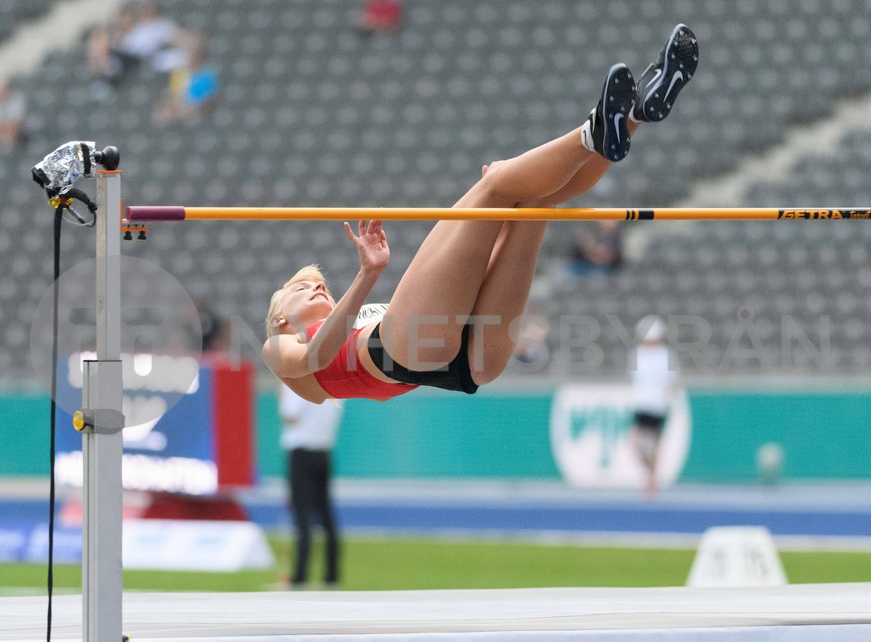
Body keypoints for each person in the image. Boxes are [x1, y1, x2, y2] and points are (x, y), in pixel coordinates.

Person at [264, 24, 698, 404]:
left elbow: (464, 296)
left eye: (317, 283)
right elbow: (316, 356)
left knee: (532, 204)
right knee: (495, 185)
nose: (318, 286)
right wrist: (368, 274)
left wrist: (502, 216)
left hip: (464, 358)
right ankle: (592, 131)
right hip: (433, 358)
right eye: (304, 287)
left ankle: (638, 112)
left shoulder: (359, 316)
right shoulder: (279, 345)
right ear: (280, 314)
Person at [278, 382, 343, 589]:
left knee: (302, 515)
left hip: (301, 450)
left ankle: (300, 576)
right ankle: (331, 576)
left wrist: (282, 394)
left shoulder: (298, 378)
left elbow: (291, 416)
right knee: (326, 515)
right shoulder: (336, 380)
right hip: (324, 449)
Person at [629, 315, 678, 499]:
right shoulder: (638, 354)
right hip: (642, 404)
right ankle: (649, 472)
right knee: (636, 444)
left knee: (655, 446)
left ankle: (651, 480)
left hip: (658, 405)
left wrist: (669, 402)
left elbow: (671, 382)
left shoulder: (666, 355)